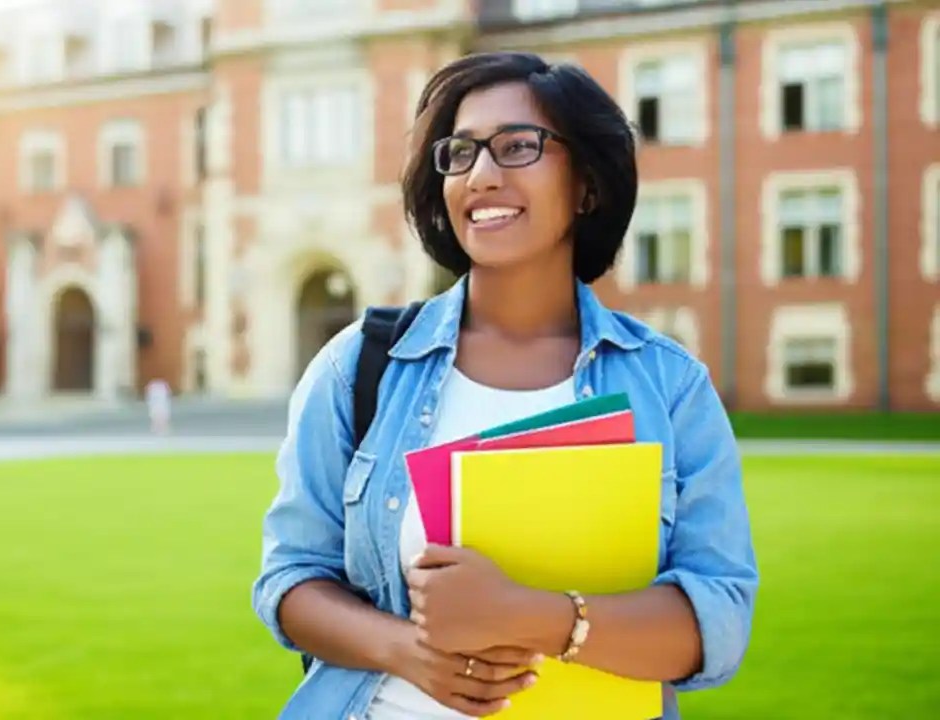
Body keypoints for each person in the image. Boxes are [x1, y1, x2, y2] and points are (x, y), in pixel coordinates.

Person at [252, 52, 757, 720]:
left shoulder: (669, 386)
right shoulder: (360, 366)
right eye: (460, 153)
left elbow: (716, 622)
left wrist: (533, 616)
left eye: (518, 146)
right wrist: (406, 649)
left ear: (586, 185)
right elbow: (290, 579)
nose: (481, 175)